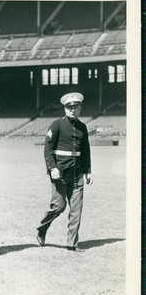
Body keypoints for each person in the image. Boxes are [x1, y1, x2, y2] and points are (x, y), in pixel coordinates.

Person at [36, 92, 92, 251]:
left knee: (76, 210)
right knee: (58, 207)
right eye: (70, 107)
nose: (73, 110)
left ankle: (72, 244)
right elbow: (48, 148)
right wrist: (52, 168)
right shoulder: (57, 124)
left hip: (78, 173)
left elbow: (86, 151)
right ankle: (42, 228)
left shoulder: (83, 127)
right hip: (60, 173)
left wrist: (88, 171)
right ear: (65, 109)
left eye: (76, 107)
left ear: (80, 108)